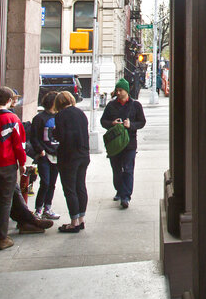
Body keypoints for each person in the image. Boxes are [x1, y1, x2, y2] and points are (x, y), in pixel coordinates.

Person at [0, 86, 26, 250]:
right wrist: (22, 164)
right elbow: (19, 145)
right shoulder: (12, 119)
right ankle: (2, 237)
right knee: (5, 201)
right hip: (7, 165)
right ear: (9, 100)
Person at [100, 77, 146, 209]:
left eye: (120, 90)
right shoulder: (111, 105)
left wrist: (130, 125)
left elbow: (142, 122)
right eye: (117, 90)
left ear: (126, 91)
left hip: (129, 143)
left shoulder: (135, 105)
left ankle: (126, 196)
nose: (118, 93)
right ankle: (119, 190)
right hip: (114, 144)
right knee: (116, 169)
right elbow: (103, 121)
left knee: (128, 169)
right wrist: (112, 123)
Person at [52, 90, 90, 233]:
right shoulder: (81, 113)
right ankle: (81, 219)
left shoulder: (60, 116)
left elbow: (61, 136)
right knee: (81, 186)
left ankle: (73, 222)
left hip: (69, 157)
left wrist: (54, 132)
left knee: (70, 189)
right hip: (83, 155)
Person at [31, 91, 60, 220]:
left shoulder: (60, 116)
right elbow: (34, 137)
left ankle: (47, 207)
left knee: (52, 183)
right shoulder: (39, 118)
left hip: (56, 154)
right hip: (44, 154)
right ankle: (38, 209)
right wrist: (40, 150)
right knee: (45, 182)